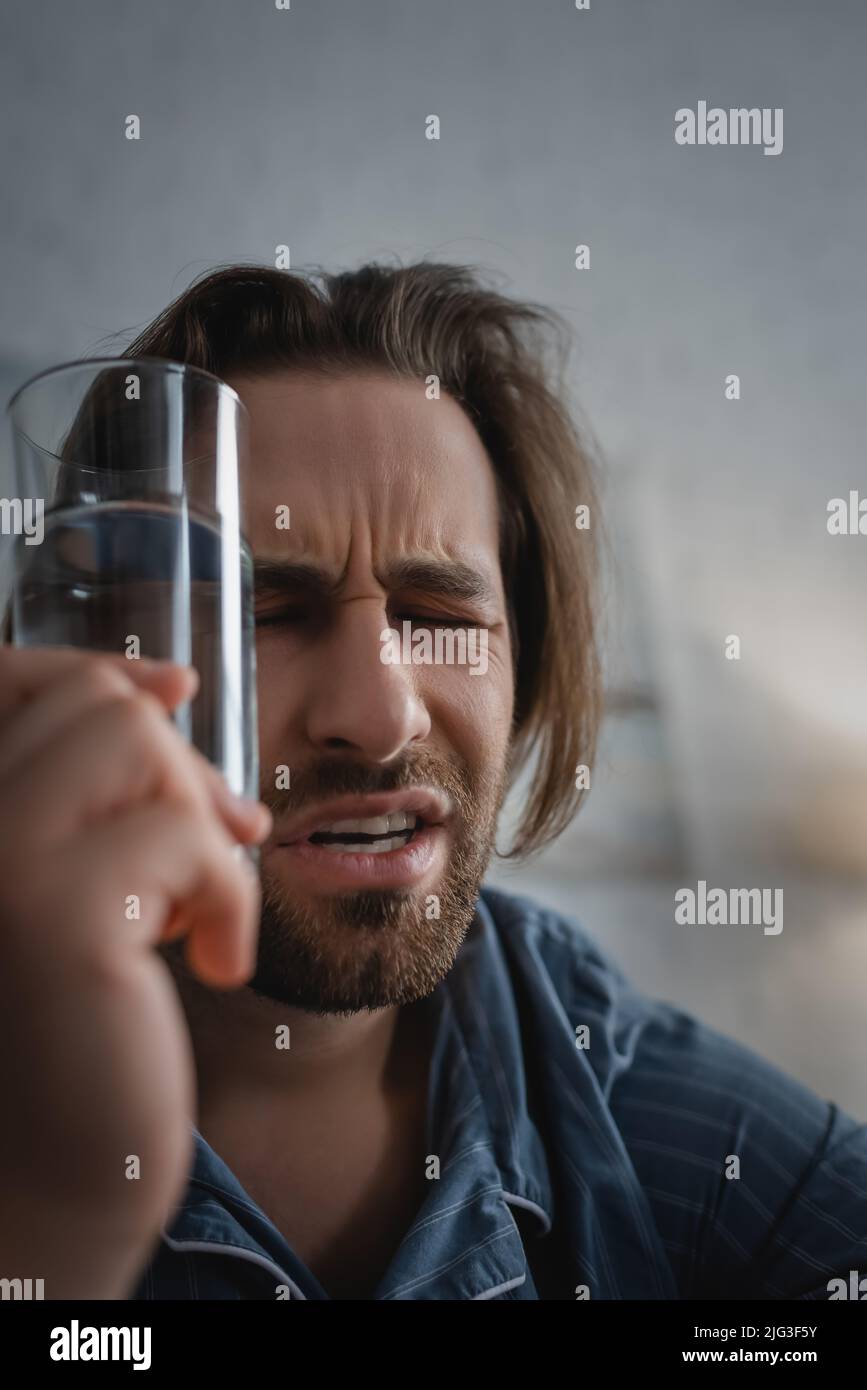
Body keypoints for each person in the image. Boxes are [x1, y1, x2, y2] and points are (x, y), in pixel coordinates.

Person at [1, 263, 865, 1302]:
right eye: (268, 611)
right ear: (91, 668)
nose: (378, 715)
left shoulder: (698, 1152)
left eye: (441, 618)